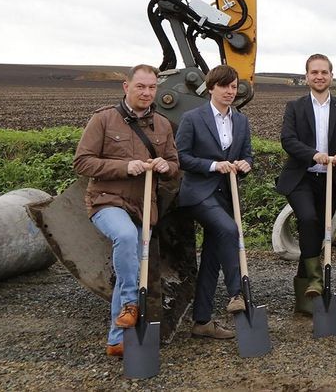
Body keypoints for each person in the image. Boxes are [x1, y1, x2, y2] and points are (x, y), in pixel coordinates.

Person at [73, 64, 179, 358]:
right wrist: (124, 167)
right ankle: (132, 304)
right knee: (126, 237)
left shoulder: (162, 125)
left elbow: (173, 165)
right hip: (107, 200)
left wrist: (164, 166)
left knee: (129, 263)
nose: (146, 93)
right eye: (140, 87)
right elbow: (82, 162)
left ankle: (116, 340)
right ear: (126, 87)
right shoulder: (104, 119)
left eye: (151, 87)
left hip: (144, 206)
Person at [174, 64, 254, 339]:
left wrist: (245, 164)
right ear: (211, 88)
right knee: (230, 229)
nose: (230, 92)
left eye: (233, 87)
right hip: (199, 193)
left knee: (211, 258)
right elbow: (181, 157)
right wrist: (212, 165)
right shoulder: (192, 118)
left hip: (226, 194)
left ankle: (202, 321)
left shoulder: (241, 121)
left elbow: (248, 154)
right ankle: (237, 292)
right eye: (224, 86)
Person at [277, 54, 336, 305]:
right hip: (301, 177)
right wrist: (314, 155)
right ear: (306, 77)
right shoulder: (295, 107)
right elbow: (288, 140)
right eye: (314, 72)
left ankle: (305, 301)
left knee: (317, 231)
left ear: (331, 76)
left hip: (331, 179)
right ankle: (316, 280)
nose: (319, 76)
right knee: (308, 219)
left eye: (324, 72)